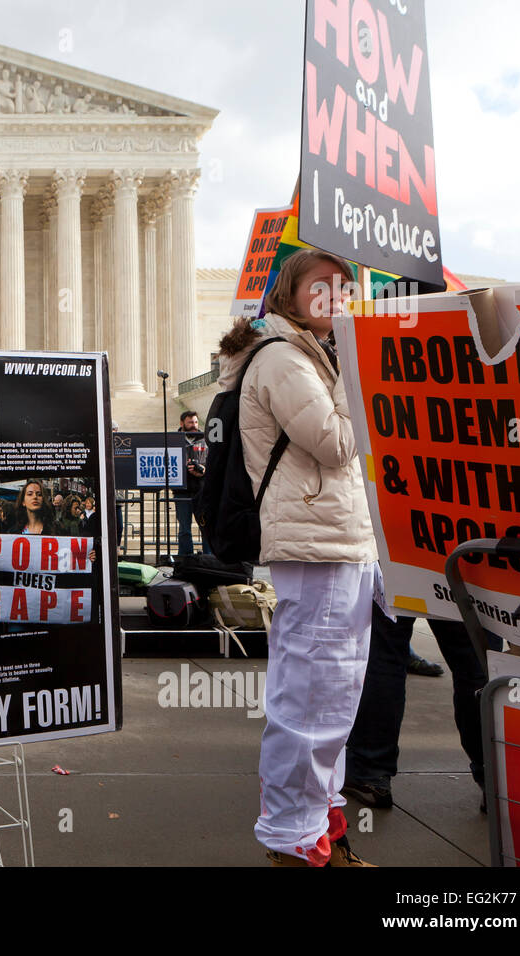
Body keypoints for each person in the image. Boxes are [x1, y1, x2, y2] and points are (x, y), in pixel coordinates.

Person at [216, 248, 378, 867]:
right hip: (314, 545)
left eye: (345, 288)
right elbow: (338, 443)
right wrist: (362, 380)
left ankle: (321, 834)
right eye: (322, 285)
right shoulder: (285, 358)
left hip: (334, 540)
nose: (334, 296)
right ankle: (292, 842)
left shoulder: (317, 355)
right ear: (290, 292)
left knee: (333, 696)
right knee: (311, 699)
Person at [344, 611, 493, 811]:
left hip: (399, 581)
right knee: (474, 660)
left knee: (385, 654)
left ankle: (370, 771)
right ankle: (493, 775)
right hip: (470, 582)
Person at [175, 410, 209, 557]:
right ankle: (185, 559)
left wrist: (203, 470)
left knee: (206, 527)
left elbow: (213, 463)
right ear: (182, 424)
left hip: (201, 490)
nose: (194, 425)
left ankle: (210, 558)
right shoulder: (174, 440)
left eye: (196, 422)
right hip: (181, 490)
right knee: (184, 528)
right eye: (190, 422)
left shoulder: (205, 439)